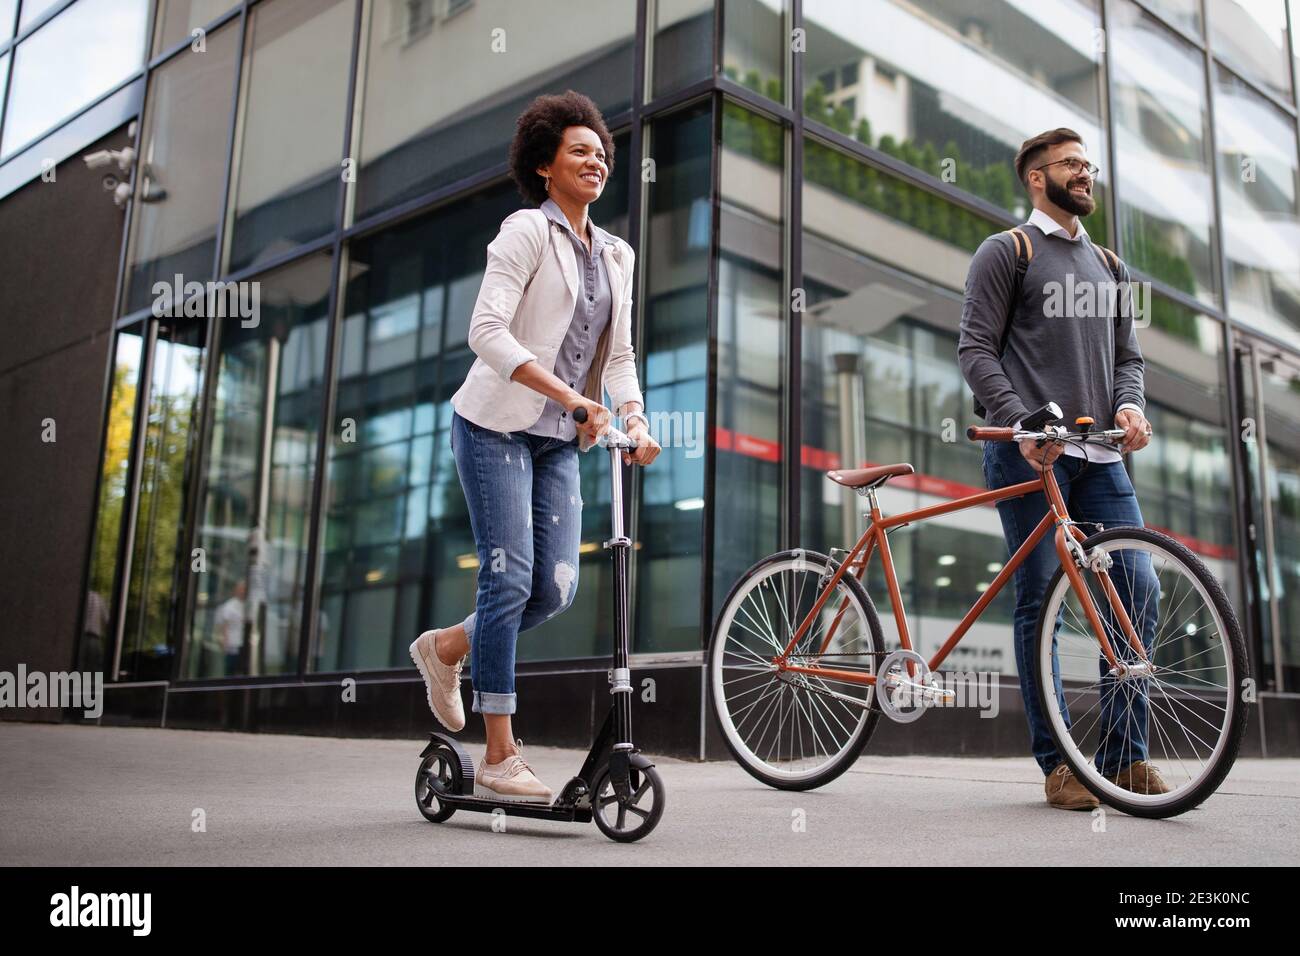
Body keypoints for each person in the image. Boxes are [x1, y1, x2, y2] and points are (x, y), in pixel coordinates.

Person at [409, 91, 661, 803]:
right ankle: (498, 753)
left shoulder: (617, 254)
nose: (597, 161)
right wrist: (569, 397)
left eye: (603, 153)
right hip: (493, 427)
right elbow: (486, 332)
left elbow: (619, 354)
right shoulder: (524, 231)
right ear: (545, 164)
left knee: (554, 588)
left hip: (557, 440)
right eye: (580, 151)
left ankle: (446, 648)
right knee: (508, 578)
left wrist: (634, 419)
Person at [958, 127, 1167, 810]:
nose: (1086, 175)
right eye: (1073, 165)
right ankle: (1059, 764)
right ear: (1036, 177)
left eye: (1090, 165)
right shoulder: (1007, 251)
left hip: (1101, 455)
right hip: (1029, 453)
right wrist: (1021, 420)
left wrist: (1130, 407)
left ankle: (1124, 757)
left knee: (1138, 590)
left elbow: (1127, 361)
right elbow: (976, 350)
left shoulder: (1110, 265)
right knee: (1041, 599)